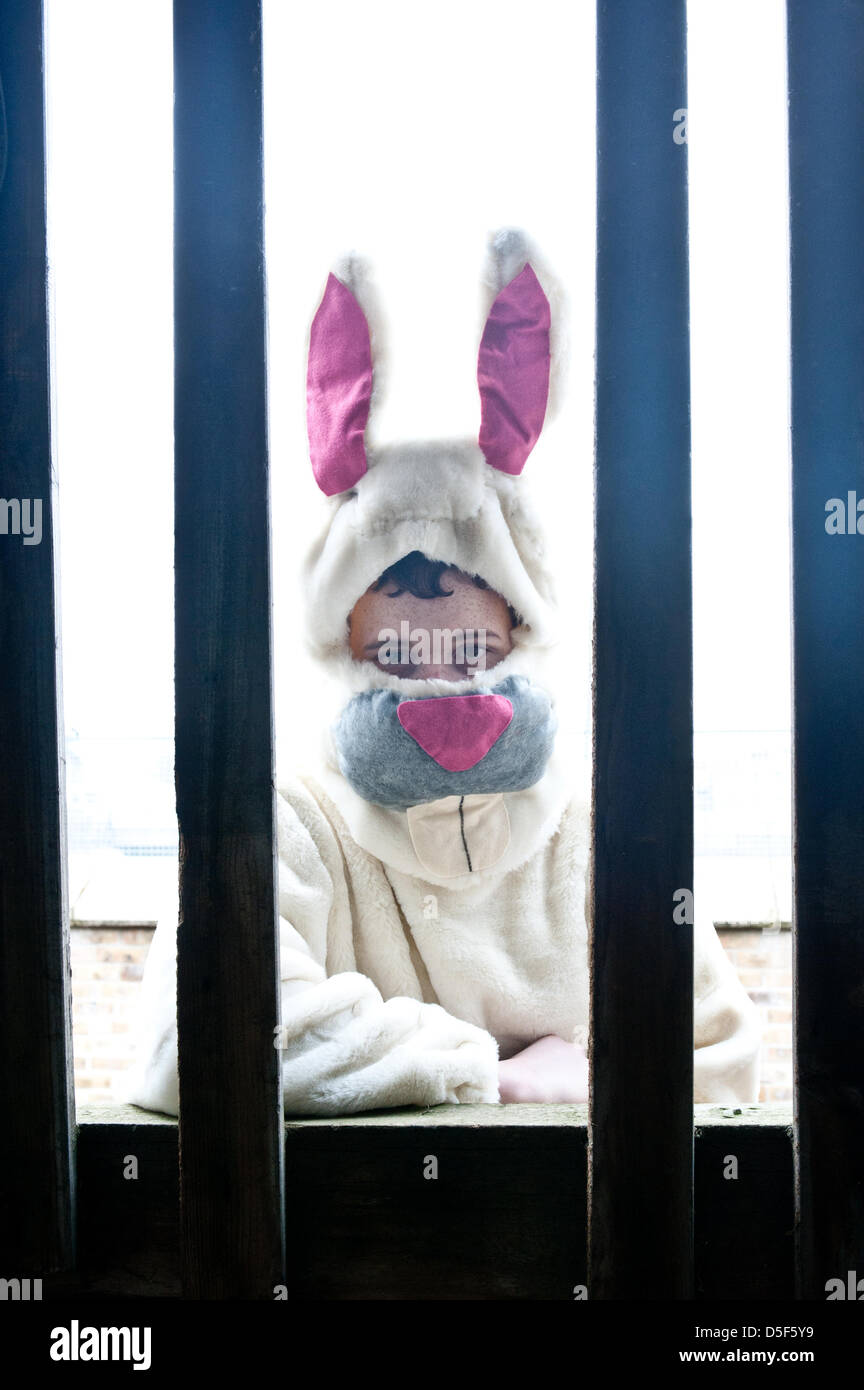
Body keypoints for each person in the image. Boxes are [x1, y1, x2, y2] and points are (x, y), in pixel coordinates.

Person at [122, 232, 761, 1118]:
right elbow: (186, 1034)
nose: (436, 689)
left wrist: (593, 1074)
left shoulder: (605, 837)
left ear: (519, 627)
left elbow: (723, 1065)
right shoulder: (287, 824)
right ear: (343, 645)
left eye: (470, 653)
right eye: (394, 656)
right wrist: (486, 1074)